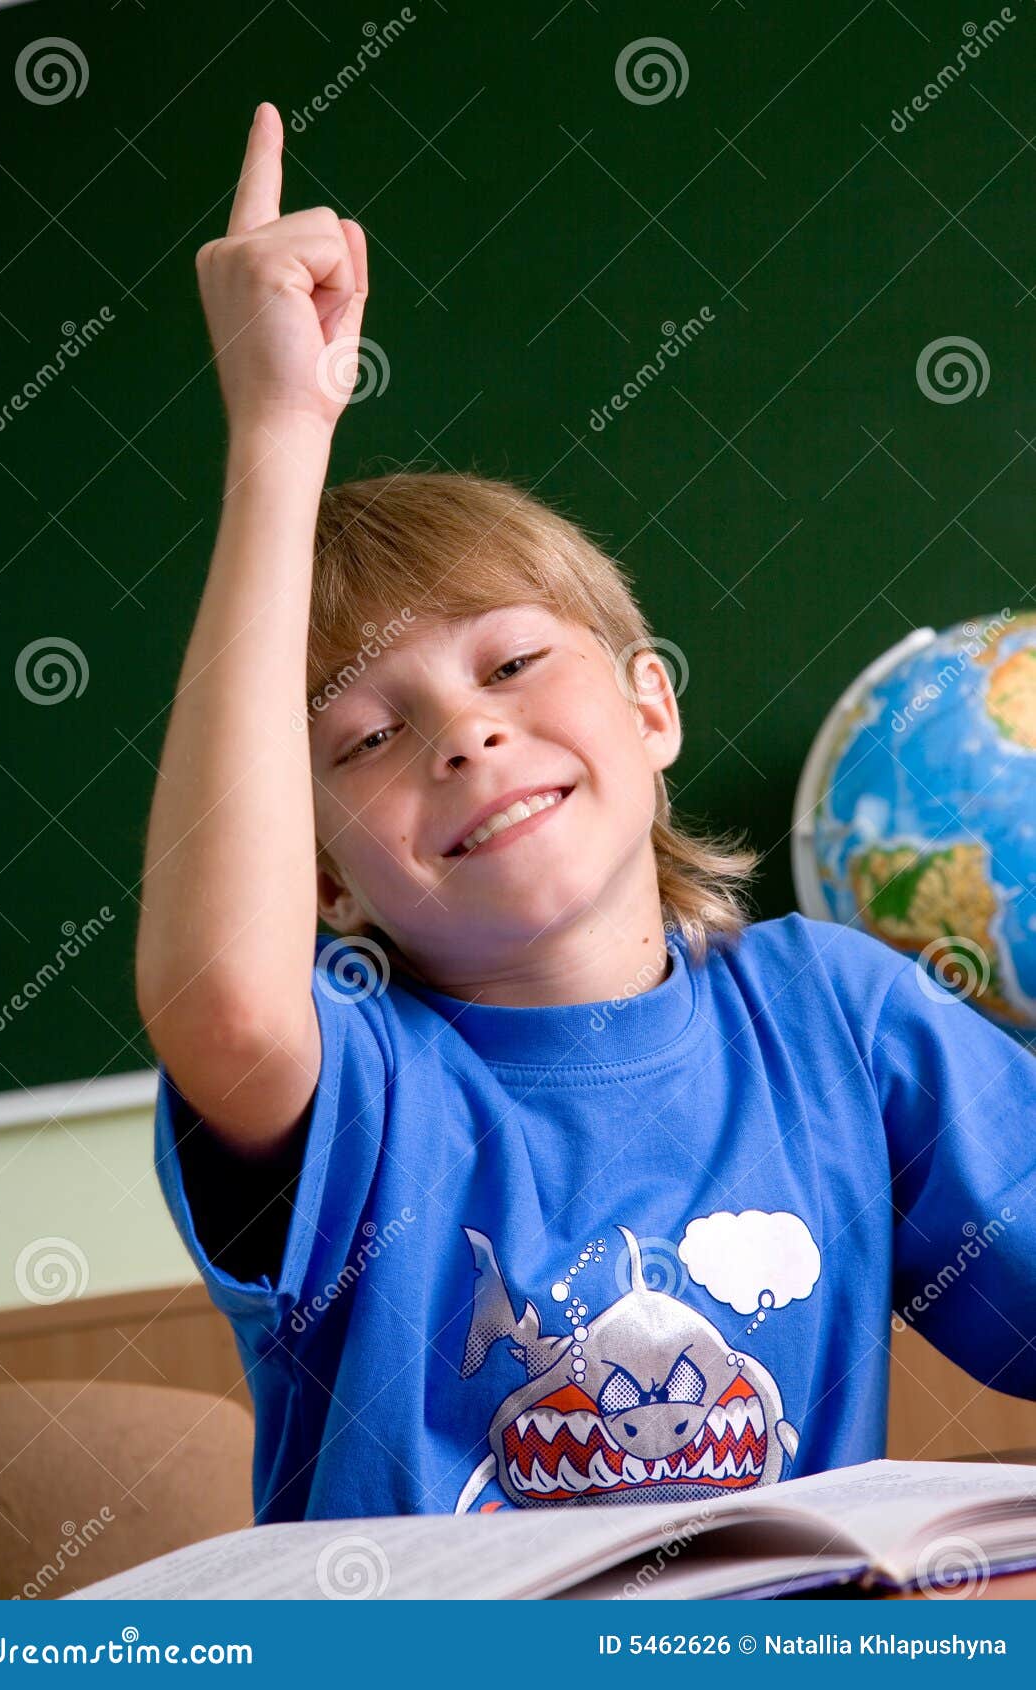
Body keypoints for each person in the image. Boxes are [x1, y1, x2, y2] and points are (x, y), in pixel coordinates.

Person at [136, 102, 1036, 1526]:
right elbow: (229, 1010)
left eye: (510, 664)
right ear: (324, 880)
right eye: (367, 736)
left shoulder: (838, 1021)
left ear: (652, 708)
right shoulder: (364, 1076)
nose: (466, 733)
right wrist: (278, 435)